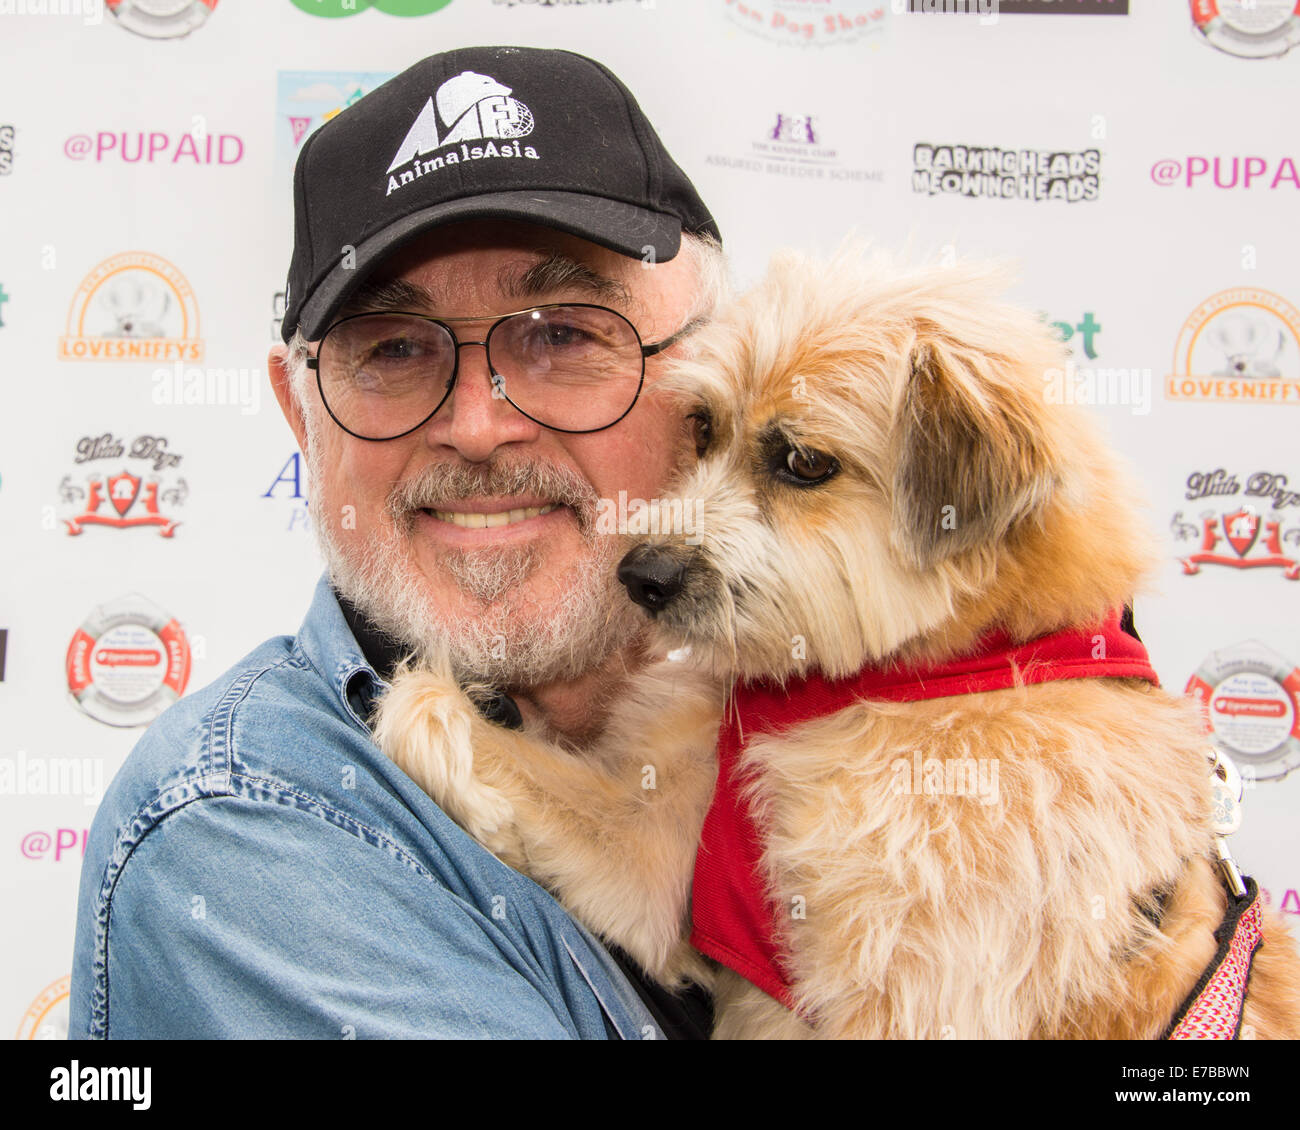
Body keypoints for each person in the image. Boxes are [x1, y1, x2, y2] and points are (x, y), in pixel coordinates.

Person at [70, 45, 726, 1039]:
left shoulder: (813, 737)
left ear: (713, 386)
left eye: (560, 334)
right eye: (394, 348)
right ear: (302, 417)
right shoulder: (240, 825)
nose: (475, 424)